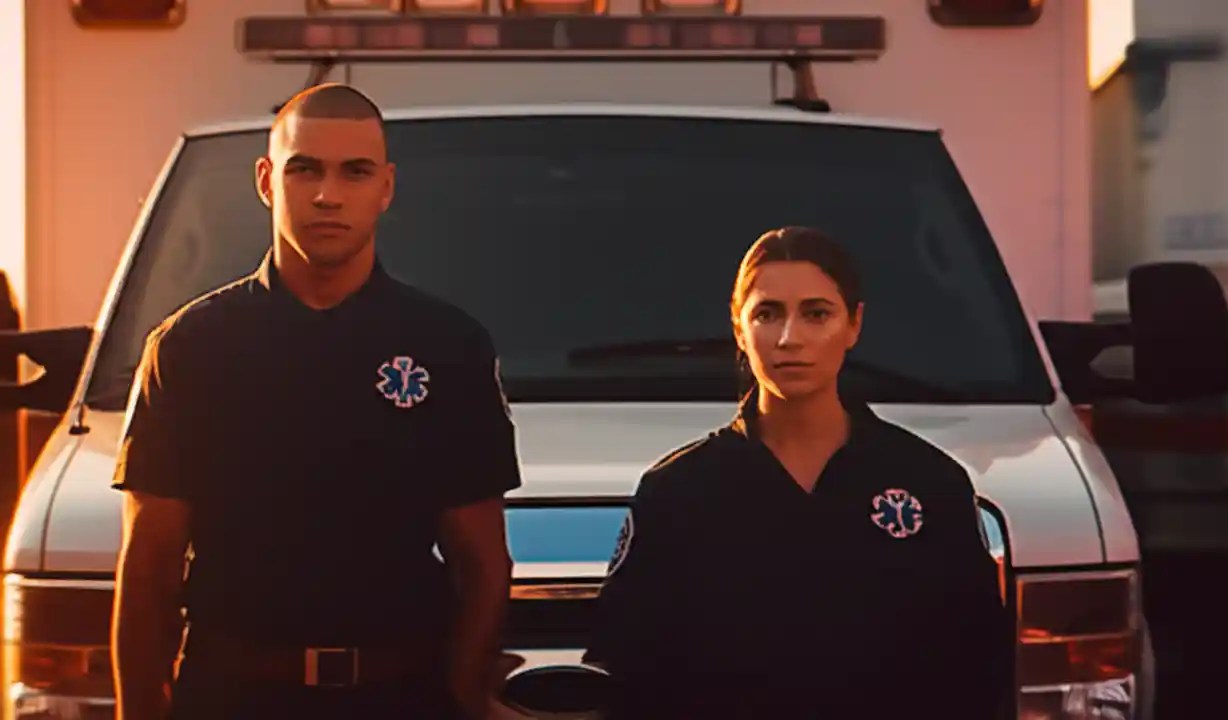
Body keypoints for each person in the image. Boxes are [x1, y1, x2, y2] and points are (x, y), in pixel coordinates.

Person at [109, 83, 523, 720]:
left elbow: (483, 562)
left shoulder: (448, 347)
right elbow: (148, 568)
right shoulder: (191, 348)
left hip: (400, 697)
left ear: (385, 188)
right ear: (267, 181)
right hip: (232, 696)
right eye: (306, 170)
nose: (328, 195)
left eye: (354, 172)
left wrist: (464, 694)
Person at [584, 226, 1016, 719]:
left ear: (854, 324)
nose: (791, 338)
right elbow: (622, 674)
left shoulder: (930, 483)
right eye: (767, 314)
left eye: (817, 314)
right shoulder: (679, 493)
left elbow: (980, 667)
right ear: (738, 328)